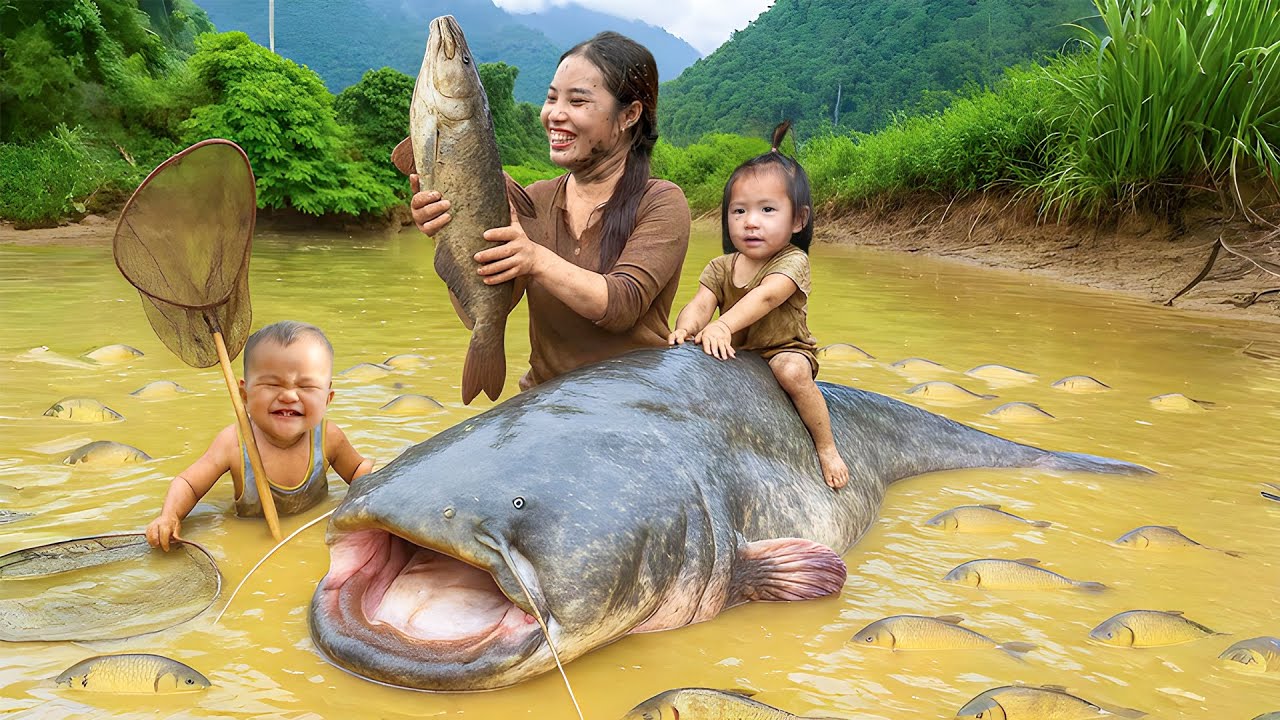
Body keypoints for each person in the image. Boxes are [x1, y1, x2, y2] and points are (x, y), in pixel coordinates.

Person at [409, 32, 690, 390]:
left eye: (577, 101)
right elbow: (477, 315)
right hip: (545, 400)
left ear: (629, 115)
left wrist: (535, 259)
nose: (555, 114)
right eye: (552, 97)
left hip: (632, 399)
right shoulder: (533, 200)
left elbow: (623, 304)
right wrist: (448, 232)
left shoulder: (661, 201)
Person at [667, 122, 850, 489]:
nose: (750, 222)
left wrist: (722, 325)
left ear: (798, 219)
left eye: (767, 210)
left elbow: (765, 296)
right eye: (739, 211)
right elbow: (702, 303)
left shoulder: (793, 261)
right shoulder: (720, 266)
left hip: (782, 348)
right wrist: (686, 329)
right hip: (739, 354)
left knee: (791, 373)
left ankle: (827, 447)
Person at [145, 321, 373, 550]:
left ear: (327, 399)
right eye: (272, 384)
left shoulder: (328, 438)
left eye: (306, 386)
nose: (289, 396)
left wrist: (362, 506)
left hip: (314, 540)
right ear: (244, 395)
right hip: (250, 542)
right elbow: (188, 483)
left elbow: (360, 470)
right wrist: (170, 516)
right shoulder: (233, 443)